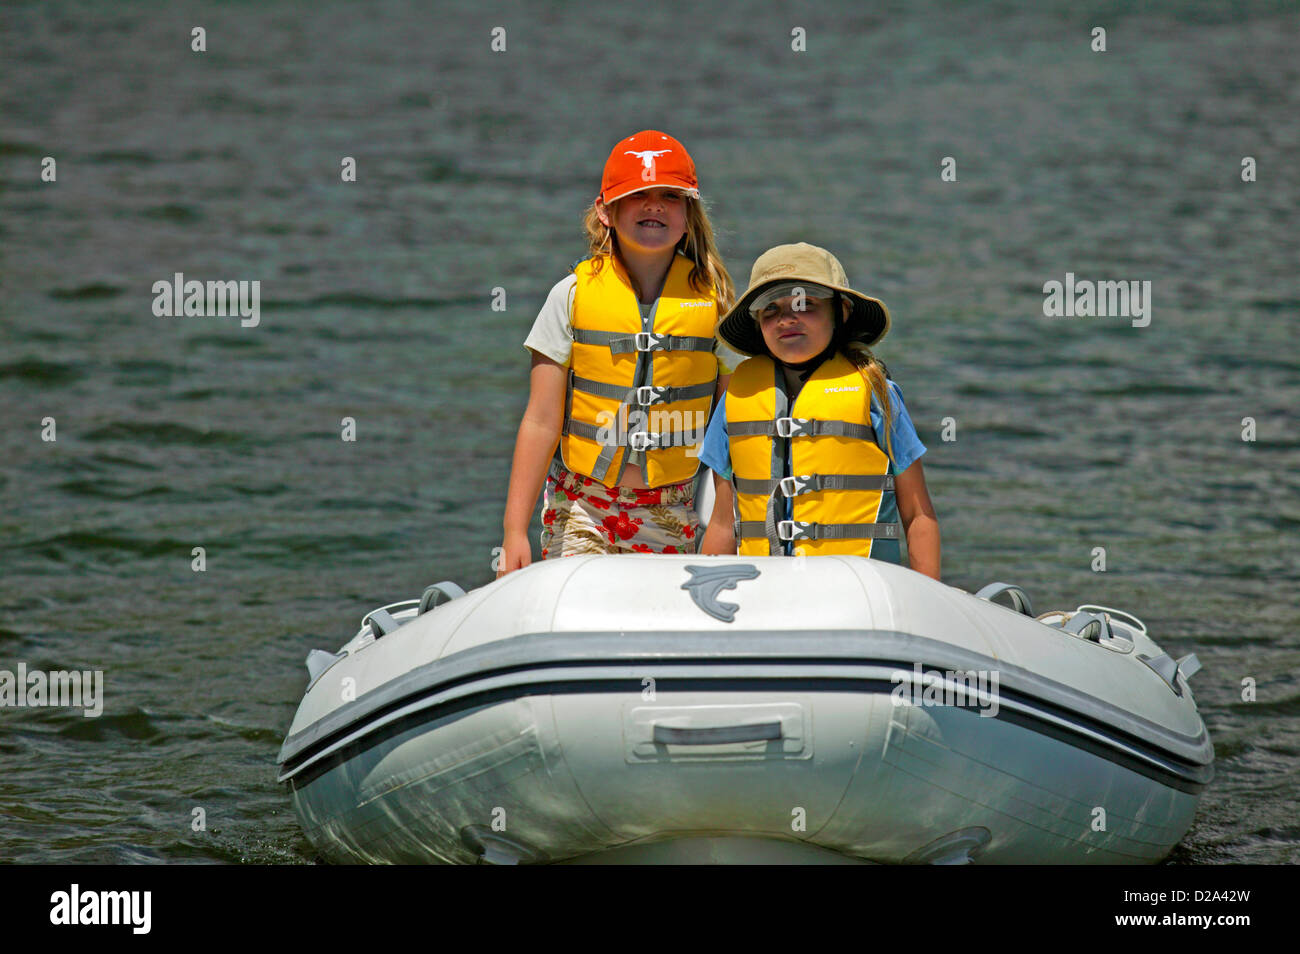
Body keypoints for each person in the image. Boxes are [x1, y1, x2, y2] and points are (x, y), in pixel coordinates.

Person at [498, 131, 737, 576]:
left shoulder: (718, 305)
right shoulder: (570, 295)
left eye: (670, 195)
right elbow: (541, 420)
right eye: (638, 195)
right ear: (606, 211)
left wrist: (722, 525)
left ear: (689, 214)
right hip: (581, 504)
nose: (654, 205)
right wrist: (514, 532)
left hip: (672, 507)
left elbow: (732, 428)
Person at [696, 242, 941, 580]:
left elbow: (918, 515)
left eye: (805, 303)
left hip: (857, 590)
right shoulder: (736, 398)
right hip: (763, 588)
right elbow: (723, 522)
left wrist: (926, 598)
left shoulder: (877, 394)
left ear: (840, 312)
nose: (786, 319)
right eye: (770, 309)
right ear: (757, 324)